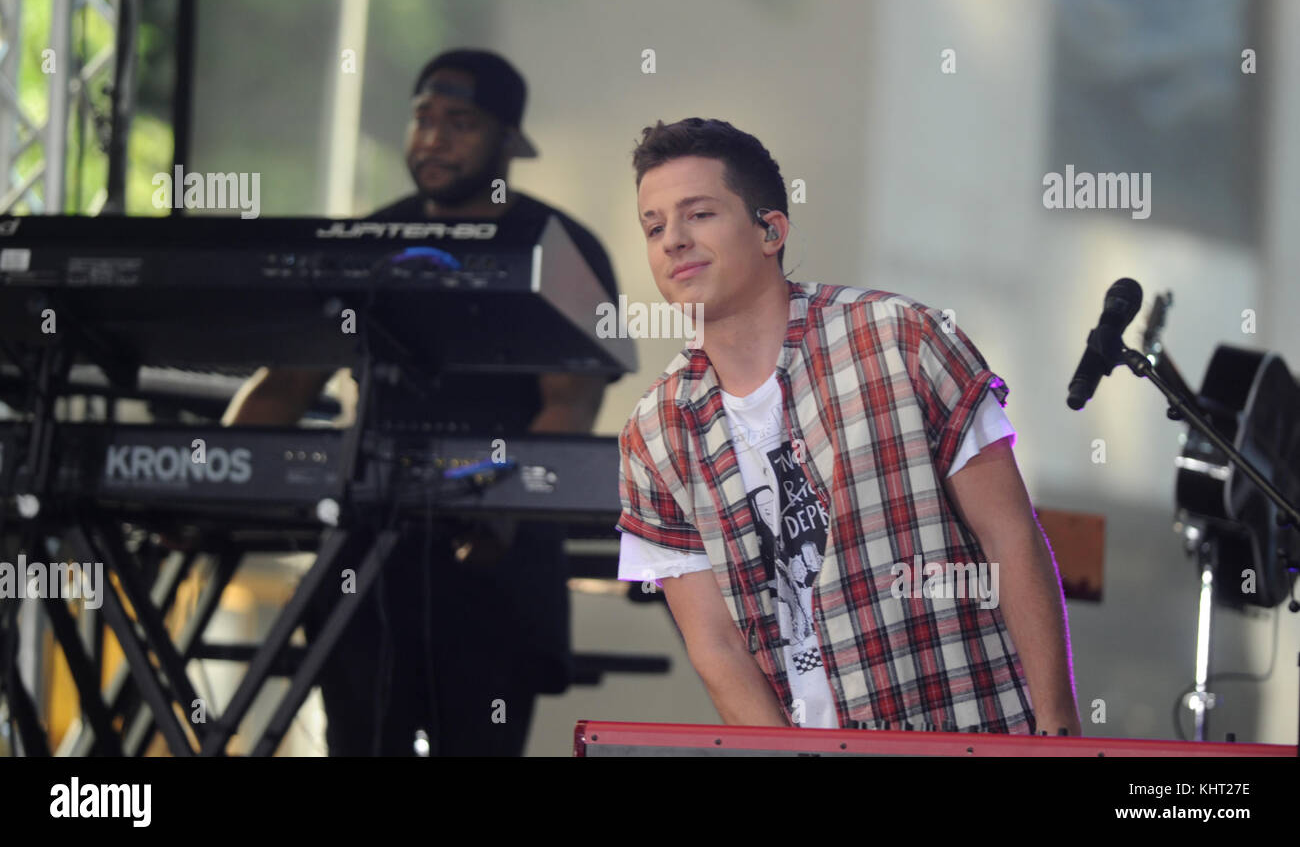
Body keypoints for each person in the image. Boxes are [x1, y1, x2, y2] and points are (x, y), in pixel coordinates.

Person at [615, 117, 1081, 735]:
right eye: (654, 226)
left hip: (971, 729)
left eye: (698, 214)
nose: (672, 239)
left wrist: (1057, 730)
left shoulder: (899, 337)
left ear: (770, 230)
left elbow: (1009, 537)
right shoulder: (654, 432)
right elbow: (717, 646)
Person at [224, 49, 620, 755]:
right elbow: (284, 385)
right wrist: (209, 486)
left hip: (495, 565)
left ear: (509, 139)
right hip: (368, 558)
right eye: (422, 119)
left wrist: (497, 509)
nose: (433, 138)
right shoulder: (370, 239)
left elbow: (569, 406)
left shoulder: (561, 249)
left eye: (459, 122)